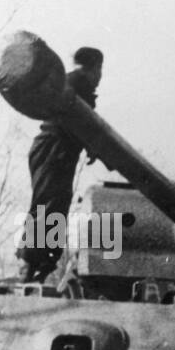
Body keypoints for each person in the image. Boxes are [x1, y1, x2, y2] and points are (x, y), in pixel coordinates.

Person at [16, 47, 104, 283]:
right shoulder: (79, 82)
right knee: (48, 205)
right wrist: (94, 146)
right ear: (95, 68)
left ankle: (38, 263)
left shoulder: (69, 82)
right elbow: (83, 123)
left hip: (52, 149)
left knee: (52, 205)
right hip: (54, 150)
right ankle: (30, 263)